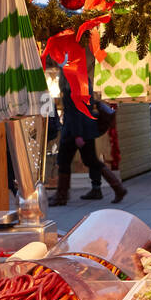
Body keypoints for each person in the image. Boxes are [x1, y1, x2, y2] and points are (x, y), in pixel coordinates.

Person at [50, 73, 125, 205]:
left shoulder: (71, 84)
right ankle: (116, 187)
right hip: (86, 128)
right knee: (91, 160)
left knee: (64, 161)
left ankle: (62, 196)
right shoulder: (83, 79)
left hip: (74, 131)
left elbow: (75, 111)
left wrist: (78, 135)